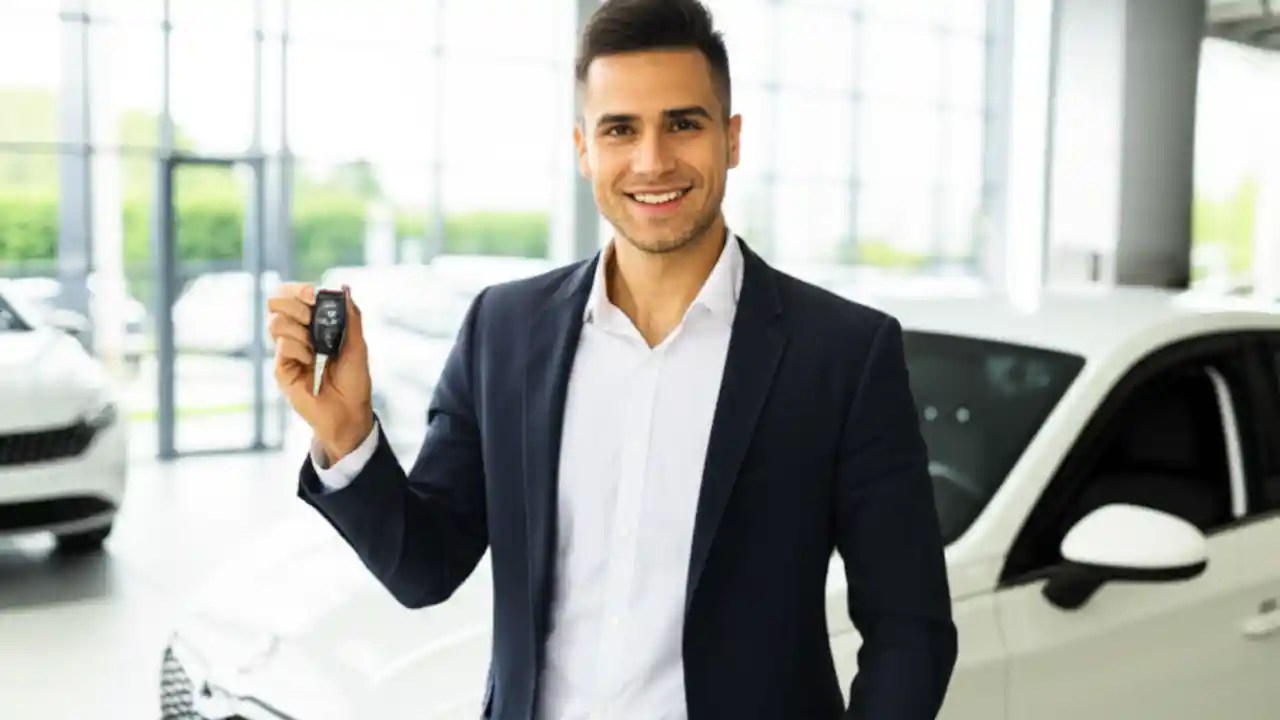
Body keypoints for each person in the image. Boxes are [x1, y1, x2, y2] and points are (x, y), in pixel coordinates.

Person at [267, 0, 957, 718]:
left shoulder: (843, 354)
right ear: (583, 148)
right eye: (620, 129)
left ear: (732, 138)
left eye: (683, 124)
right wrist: (346, 434)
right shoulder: (503, 330)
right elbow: (424, 568)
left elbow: (911, 628)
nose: (652, 161)